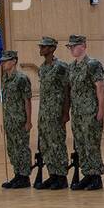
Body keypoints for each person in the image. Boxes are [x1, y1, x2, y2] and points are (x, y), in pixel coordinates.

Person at [65, 35, 104, 190]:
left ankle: (96, 176)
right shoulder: (72, 67)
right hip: (77, 113)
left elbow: (100, 88)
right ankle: (87, 173)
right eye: (70, 46)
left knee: (91, 143)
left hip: (90, 111)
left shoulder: (93, 64)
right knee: (81, 144)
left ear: (83, 46)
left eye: (74, 46)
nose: (71, 49)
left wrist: (101, 109)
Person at [34, 36, 69, 189]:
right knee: (46, 145)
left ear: (52, 48)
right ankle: (52, 174)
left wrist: (66, 112)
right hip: (44, 113)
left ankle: (61, 176)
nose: (41, 49)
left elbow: (67, 90)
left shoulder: (61, 67)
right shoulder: (42, 68)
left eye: (44, 47)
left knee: (57, 144)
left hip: (56, 112)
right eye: (41, 46)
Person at [0, 50, 33, 189]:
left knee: (22, 148)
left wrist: (28, 121)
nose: (2, 64)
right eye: (2, 61)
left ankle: (24, 177)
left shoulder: (21, 78)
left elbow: (27, 101)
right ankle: (17, 174)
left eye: (5, 61)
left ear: (14, 61)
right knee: (12, 149)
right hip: (9, 120)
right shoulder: (5, 79)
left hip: (19, 120)